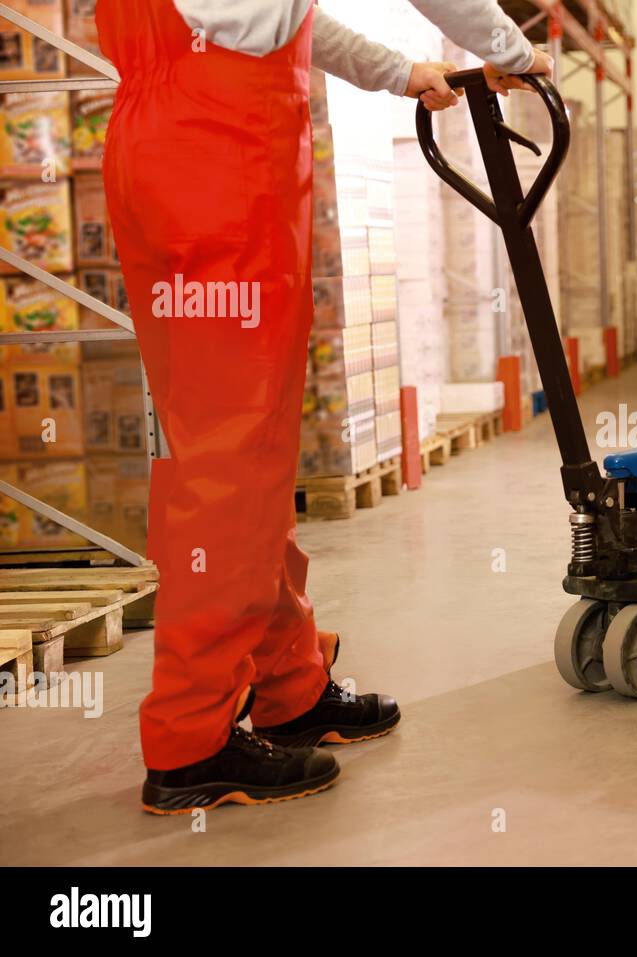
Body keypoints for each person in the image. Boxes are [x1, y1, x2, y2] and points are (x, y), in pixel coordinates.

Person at [96, 0, 551, 814]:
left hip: (158, 143)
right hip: (223, 159)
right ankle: (191, 736)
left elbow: (270, 14)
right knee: (232, 452)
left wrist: (400, 71)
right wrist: (509, 48)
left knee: (212, 443)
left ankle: (288, 682)